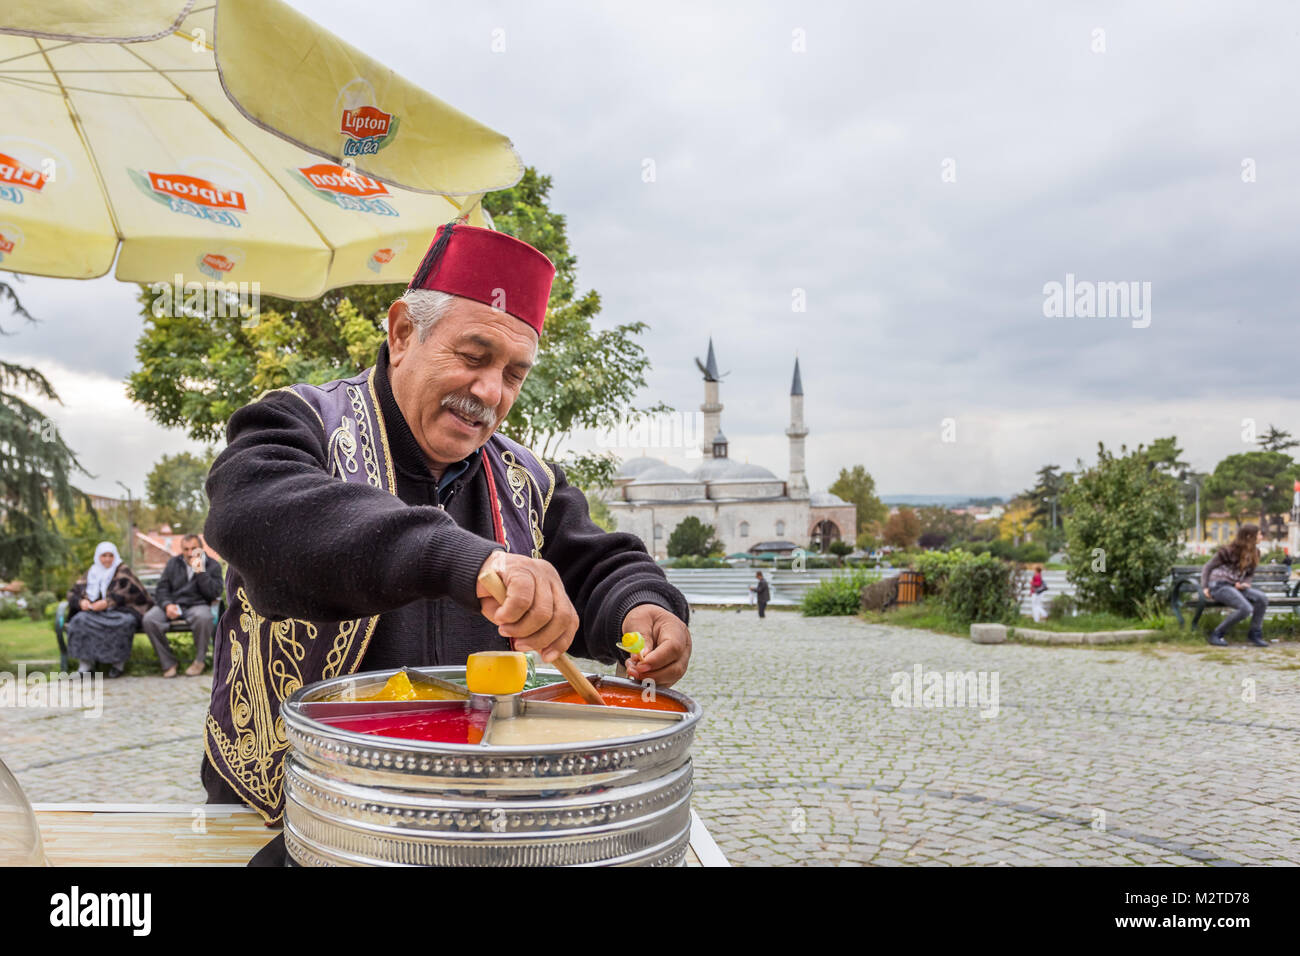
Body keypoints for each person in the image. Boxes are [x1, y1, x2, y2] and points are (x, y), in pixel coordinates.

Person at [200, 222, 693, 851]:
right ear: (403, 332)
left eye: (514, 373)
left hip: (472, 813)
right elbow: (253, 512)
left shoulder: (531, 479)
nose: (491, 391)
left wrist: (644, 608)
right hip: (301, 805)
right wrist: (467, 559)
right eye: (474, 356)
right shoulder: (299, 422)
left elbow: (597, 566)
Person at [64, 542, 153, 678]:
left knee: (125, 622)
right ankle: (85, 665)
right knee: (79, 621)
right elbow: (72, 593)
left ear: (115, 556)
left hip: (120, 612)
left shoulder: (122, 570)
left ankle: (117, 664)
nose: (107, 559)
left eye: (110, 555)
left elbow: (131, 592)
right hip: (94, 613)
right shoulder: (91, 572)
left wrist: (108, 602)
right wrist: (81, 602)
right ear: (98, 557)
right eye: (103, 556)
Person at [142, 534, 223, 678]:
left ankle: (199, 661)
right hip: (174, 603)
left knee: (204, 618)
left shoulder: (212, 565)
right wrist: (167, 605)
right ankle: (168, 663)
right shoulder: (173, 563)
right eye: (186, 549)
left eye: (194, 548)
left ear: (201, 548)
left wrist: (200, 572)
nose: (190, 553)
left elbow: (213, 594)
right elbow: (162, 589)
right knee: (149, 619)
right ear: (182, 549)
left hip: (197, 604)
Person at [1200, 524, 1268, 647]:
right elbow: (1207, 567)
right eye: (1259, 534)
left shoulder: (1255, 552)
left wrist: (1245, 584)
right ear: (1249, 536)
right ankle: (1217, 634)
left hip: (1234, 587)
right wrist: (1205, 587)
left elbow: (1249, 574)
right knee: (1245, 608)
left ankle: (1254, 634)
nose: (1261, 537)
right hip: (1218, 586)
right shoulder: (1228, 550)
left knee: (1262, 599)